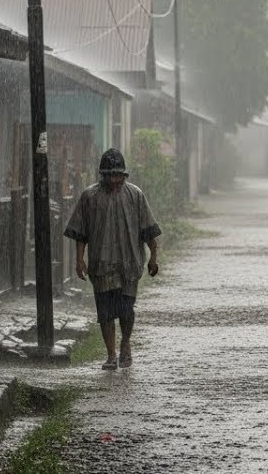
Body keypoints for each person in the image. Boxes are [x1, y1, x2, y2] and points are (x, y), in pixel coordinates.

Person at [63, 148, 161, 370]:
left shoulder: (135, 195)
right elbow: (81, 233)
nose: (115, 181)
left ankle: (125, 343)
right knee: (105, 312)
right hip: (102, 264)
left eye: (118, 176)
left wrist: (153, 257)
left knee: (126, 309)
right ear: (103, 176)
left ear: (124, 175)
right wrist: (79, 260)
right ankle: (110, 354)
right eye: (110, 176)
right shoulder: (90, 197)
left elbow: (149, 230)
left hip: (129, 263)